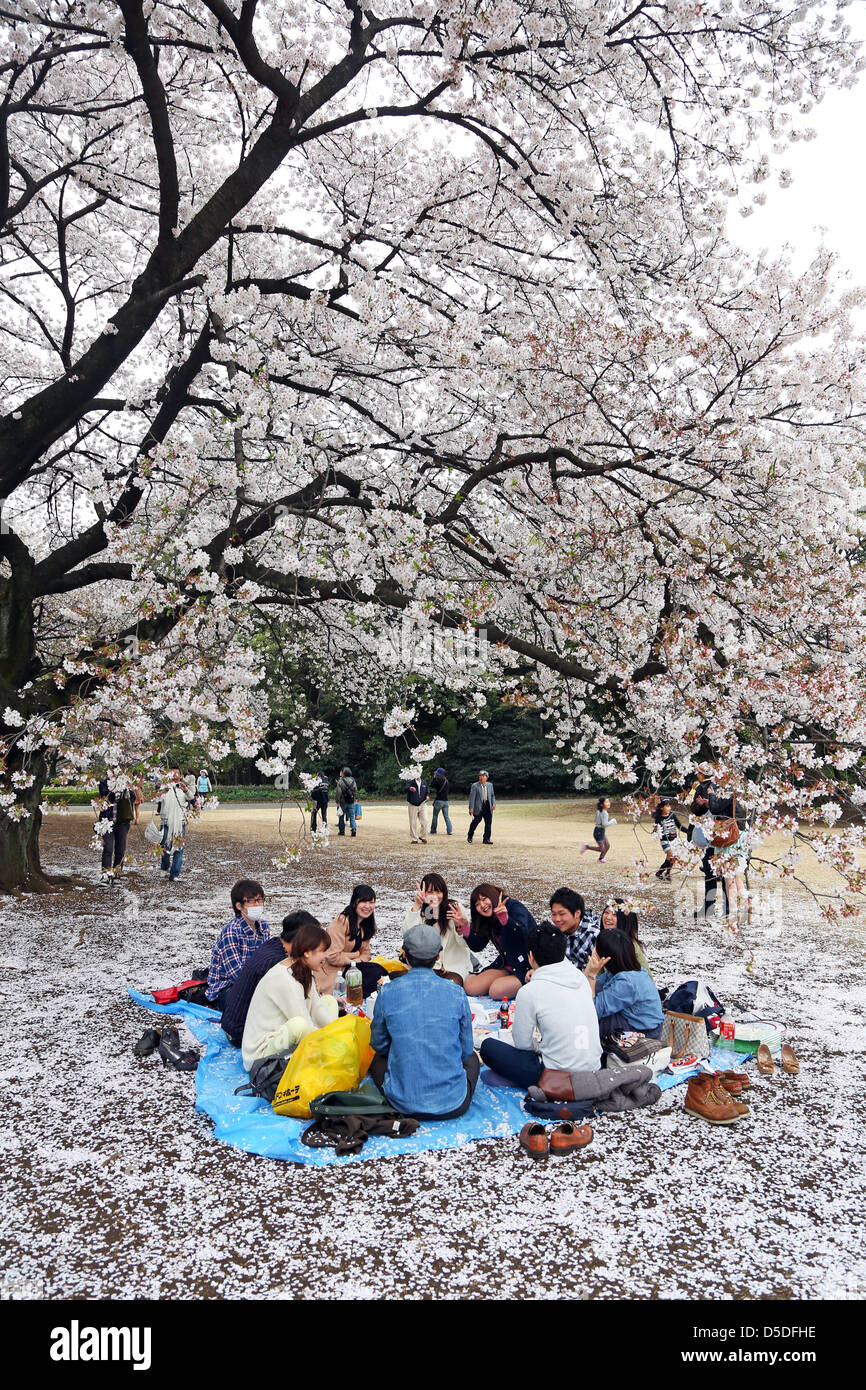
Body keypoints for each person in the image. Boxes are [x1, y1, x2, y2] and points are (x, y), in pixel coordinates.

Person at [369, 921, 479, 1120]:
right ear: (438, 956)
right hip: (453, 1103)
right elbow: (465, 1050)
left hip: (402, 1104)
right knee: (472, 1059)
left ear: (405, 956)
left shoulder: (388, 991)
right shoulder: (455, 991)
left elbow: (379, 1044)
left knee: (377, 1060)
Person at [479, 921, 602, 1086]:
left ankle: (524, 1081)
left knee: (488, 1047)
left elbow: (522, 1043)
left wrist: (538, 1047)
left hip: (557, 1075)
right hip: (593, 1068)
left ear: (530, 956)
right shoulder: (580, 977)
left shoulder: (530, 991)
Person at [242, 922, 339, 1071]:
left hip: (283, 1032)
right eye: (323, 951)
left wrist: (339, 1033)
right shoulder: (284, 979)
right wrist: (333, 1047)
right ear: (307, 952)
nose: (326, 956)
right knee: (299, 1025)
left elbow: (316, 1007)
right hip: (261, 1055)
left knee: (328, 1001)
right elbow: (304, 1025)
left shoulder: (303, 969)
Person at [221, 909, 318, 1047]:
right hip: (241, 1032)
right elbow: (295, 1011)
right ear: (299, 939)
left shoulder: (275, 944)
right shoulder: (276, 964)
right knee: (299, 1024)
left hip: (234, 1025)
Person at [452, 883, 536, 999]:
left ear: (493, 895)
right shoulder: (487, 918)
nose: (482, 905)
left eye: (484, 899)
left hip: (528, 966)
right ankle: (505, 981)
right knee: (471, 987)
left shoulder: (514, 906)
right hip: (507, 963)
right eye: (477, 904)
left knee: (496, 991)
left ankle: (537, 982)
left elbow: (522, 933)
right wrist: (465, 927)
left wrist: (506, 920)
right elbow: (478, 946)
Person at [584, 927, 664, 1040]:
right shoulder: (618, 971)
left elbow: (591, 1011)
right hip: (632, 1023)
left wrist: (592, 974)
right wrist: (589, 970)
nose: (593, 952)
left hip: (645, 1034)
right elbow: (585, 988)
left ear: (606, 956)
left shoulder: (627, 982)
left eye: (596, 949)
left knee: (593, 1023)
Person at [206, 879, 270, 1011]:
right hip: (226, 988)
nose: (257, 904)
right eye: (251, 901)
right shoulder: (231, 932)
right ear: (239, 906)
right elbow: (237, 974)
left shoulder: (263, 927)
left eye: (260, 900)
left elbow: (267, 960)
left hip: (256, 983)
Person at [316, 885, 389, 998]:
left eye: (371, 902)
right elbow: (332, 956)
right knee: (373, 976)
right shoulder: (341, 922)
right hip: (336, 973)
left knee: (380, 972)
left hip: (352, 969)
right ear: (355, 902)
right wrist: (355, 956)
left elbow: (366, 954)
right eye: (363, 902)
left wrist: (354, 962)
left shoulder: (365, 925)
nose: (367, 906)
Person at [403, 873, 471, 983]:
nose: (434, 896)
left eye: (438, 891)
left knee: (450, 985)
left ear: (444, 893)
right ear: (423, 893)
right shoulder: (421, 912)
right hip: (429, 968)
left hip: (454, 969)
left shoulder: (454, 909)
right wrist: (417, 905)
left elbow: (465, 944)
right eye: (430, 892)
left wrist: (461, 927)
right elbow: (409, 936)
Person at [97, 774, 139, 885]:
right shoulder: (104, 783)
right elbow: (105, 795)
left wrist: (126, 788)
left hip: (123, 822)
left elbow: (133, 797)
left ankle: (116, 874)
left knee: (120, 849)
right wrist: (117, 788)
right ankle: (105, 875)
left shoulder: (125, 783)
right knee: (108, 848)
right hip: (107, 822)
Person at [687, 811, 729, 921]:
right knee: (709, 876)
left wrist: (710, 799)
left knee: (725, 875)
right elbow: (695, 809)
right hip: (705, 842)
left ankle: (727, 908)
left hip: (718, 840)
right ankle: (709, 907)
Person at [548, 887, 601, 972]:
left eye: (562, 914)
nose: (557, 919)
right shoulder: (557, 931)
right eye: (554, 914)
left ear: (577, 914)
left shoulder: (594, 937)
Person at [156, 768, 194, 881]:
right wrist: (163, 791)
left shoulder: (182, 787)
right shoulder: (164, 786)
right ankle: (164, 867)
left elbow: (191, 797)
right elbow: (157, 798)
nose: (174, 775)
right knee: (165, 846)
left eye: (177, 773)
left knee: (178, 848)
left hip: (179, 821)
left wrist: (185, 790)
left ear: (181, 776)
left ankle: (175, 874)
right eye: (172, 773)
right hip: (166, 820)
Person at [600, 899, 653, 980]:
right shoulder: (604, 941)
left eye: (614, 914)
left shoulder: (628, 947)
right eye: (606, 912)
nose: (608, 917)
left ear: (624, 920)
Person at [653, 797, 684, 881]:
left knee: (673, 857)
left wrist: (689, 831)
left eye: (669, 806)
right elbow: (655, 831)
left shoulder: (673, 815)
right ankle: (659, 872)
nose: (669, 808)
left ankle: (667, 873)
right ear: (661, 808)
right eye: (666, 806)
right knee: (669, 853)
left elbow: (679, 826)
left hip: (674, 840)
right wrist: (655, 831)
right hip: (665, 840)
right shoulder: (659, 819)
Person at [581, 795, 615, 861]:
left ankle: (601, 859)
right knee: (601, 849)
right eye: (606, 802)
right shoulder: (604, 813)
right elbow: (605, 824)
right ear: (602, 805)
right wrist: (613, 821)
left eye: (608, 802)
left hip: (600, 830)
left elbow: (598, 821)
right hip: (599, 831)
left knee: (607, 845)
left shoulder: (599, 811)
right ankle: (587, 847)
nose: (609, 803)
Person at [467, 770, 495, 844]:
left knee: (488, 823)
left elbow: (492, 796)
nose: (481, 777)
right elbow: (472, 798)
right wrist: (471, 808)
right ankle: (470, 835)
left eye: (483, 776)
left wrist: (493, 803)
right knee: (475, 822)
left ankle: (486, 839)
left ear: (487, 777)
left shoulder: (490, 785)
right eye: (480, 776)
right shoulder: (475, 785)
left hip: (488, 806)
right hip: (478, 807)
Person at [405, 773, 429, 844]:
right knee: (413, 822)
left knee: (425, 821)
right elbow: (405, 788)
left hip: (422, 804)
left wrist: (427, 795)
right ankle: (414, 838)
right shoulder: (410, 781)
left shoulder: (424, 782)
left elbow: (427, 791)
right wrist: (410, 788)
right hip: (413, 805)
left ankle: (423, 836)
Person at [429, 767, 453, 836]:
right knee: (446, 817)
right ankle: (450, 830)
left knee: (435, 816)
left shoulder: (437, 781)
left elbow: (431, 785)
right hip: (446, 801)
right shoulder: (447, 781)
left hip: (439, 801)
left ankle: (433, 831)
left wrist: (434, 778)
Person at [336, 766, 358, 837]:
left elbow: (338, 792)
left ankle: (342, 831)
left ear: (343, 773)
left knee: (341, 816)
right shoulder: (353, 781)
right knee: (352, 816)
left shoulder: (341, 781)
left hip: (343, 801)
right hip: (351, 801)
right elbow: (355, 791)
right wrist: (355, 799)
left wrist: (337, 802)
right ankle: (353, 829)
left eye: (341, 771)